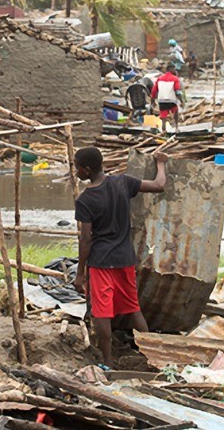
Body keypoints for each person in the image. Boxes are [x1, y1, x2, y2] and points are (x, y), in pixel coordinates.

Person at [73, 147, 168, 368]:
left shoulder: (85, 200)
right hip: (125, 259)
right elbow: (158, 185)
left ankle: (107, 362)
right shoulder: (122, 183)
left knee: (101, 312)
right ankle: (152, 357)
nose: (75, 171)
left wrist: (80, 274)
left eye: (77, 167)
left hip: (101, 262)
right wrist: (161, 164)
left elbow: (86, 239)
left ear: (87, 170)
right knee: (133, 308)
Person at [151, 64, 184, 134]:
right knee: (175, 112)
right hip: (171, 100)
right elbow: (177, 91)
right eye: (175, 70)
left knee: (163, 116)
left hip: (161, 100)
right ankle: (176, 127)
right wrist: (181, 101)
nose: (176, 71)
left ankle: (163, 130)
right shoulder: (175, 79)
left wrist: (153, 101)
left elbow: (154, 91)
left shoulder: (159, 78)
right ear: (171, 70)